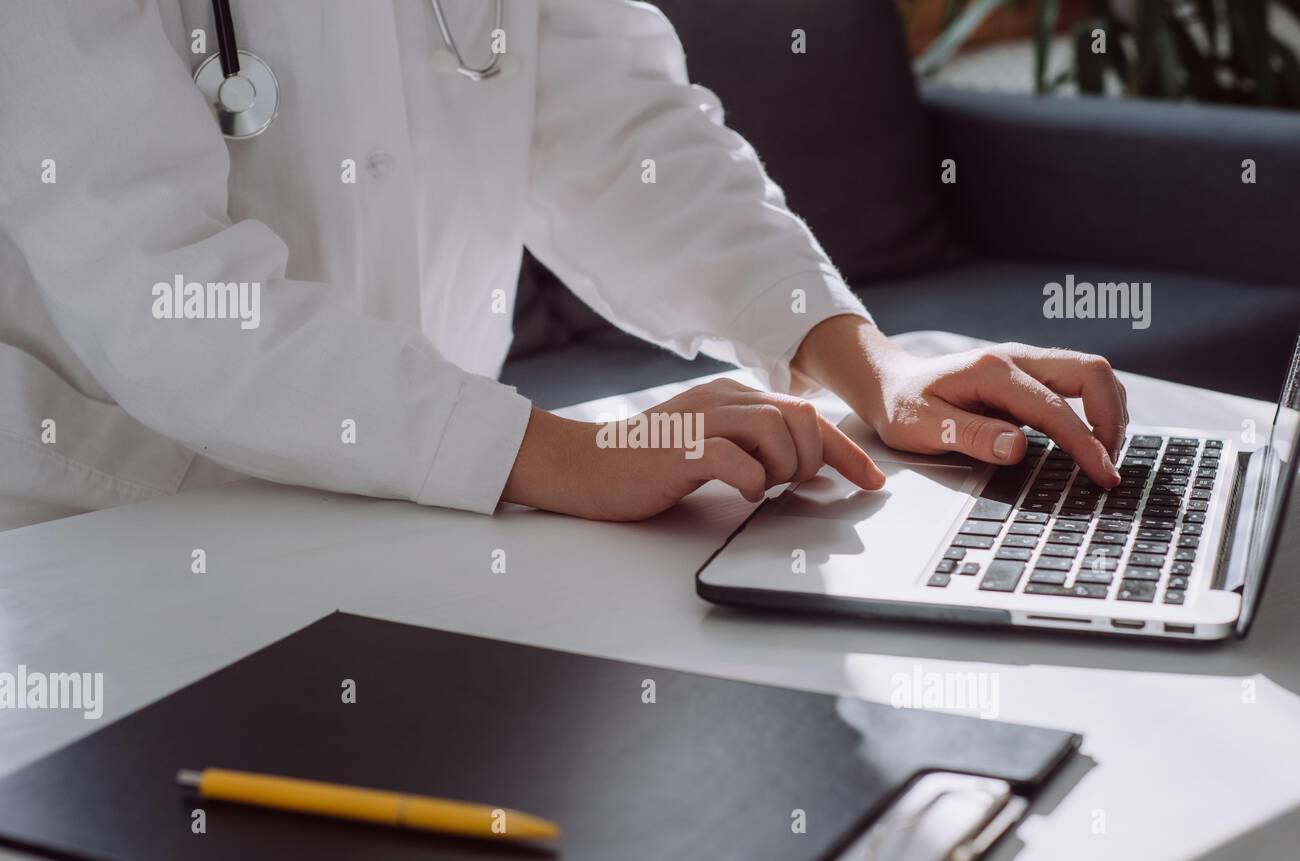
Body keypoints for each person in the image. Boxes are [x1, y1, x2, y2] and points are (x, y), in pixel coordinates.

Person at [0, 1, 1127, 533]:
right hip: (115, 523)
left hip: (422, 497)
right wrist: (546, 450)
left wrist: (857, 359)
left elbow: (618, 125)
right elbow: (153, 280)